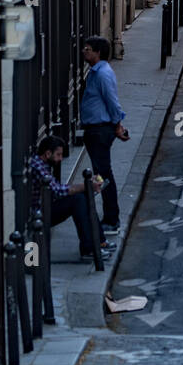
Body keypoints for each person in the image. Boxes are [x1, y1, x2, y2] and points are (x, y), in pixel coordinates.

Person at [28, 135, 112, 261]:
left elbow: (57, 188)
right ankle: (89, 248)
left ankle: (99, 242)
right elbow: (58, 191)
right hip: (38, 214)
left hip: (45, 207)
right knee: (78, 200)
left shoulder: (42, 164)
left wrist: (86, 186)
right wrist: (86, 185)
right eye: (58, 155)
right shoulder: (38, 167)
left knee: (81, 197)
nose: (61, 159)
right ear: (47, 153)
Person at [81, 36, 129, 235]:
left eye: (88, 49)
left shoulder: (102, 74)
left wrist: (118, 125)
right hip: (96, 130)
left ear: (98, 53)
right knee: (101, 174)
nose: (84, 51)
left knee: (104, 175)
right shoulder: (96, 72)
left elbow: (112, 101)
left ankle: (111, 219)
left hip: (100, 130)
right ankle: (106, 215)